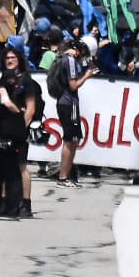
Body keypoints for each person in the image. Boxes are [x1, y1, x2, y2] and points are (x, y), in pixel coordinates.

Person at [0, 46, 40, 217]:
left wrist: (19, 129)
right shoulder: (3, 79)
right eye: (7, 58)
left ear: (19, 60)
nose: (9, 60)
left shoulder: (26, 81)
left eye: (13, 58)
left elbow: (30, 109)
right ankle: (4, 202)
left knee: (21, 166)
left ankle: (26, 203)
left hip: (18, 131)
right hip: (1, 130)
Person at [49, 34, 95, 187]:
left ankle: (67, 174)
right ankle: (63, 177)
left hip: (65, 102)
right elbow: (73, 85)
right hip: (69, 103)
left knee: (73, 139)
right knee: (71, 140)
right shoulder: (70, 60)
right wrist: (87, 75)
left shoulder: (65, 57)